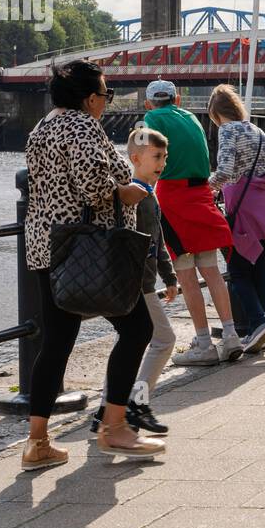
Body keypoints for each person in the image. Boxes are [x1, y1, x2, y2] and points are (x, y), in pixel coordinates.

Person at [22, 61, 164, 470]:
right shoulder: (82, 127)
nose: (106, 102)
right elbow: (95, 189)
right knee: (138, 328)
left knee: (56, 342)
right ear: (90, 98)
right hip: (92, 250)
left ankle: (37, 443)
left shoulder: (42, 127)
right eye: (106, 95)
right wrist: (130, 193)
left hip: (46, 247)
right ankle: (114, 427)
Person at [140, 79, 242, 365]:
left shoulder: (150, 118)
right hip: (202, 195)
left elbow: (149, 162)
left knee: (186, 273)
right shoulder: (191, 118)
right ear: (178, 99)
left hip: (174, 199)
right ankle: (231, 336)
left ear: (149, 103)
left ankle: (204, 344)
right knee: (211, 270)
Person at [89, 126, 180, 437]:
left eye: (165, 157)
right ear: (135, 158)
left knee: (126, 342)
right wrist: (155, 279)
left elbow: (158, 238)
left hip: (142, 282)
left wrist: (169, 275)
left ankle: (105, 407)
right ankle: (136, 402)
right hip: (137, 284)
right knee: (164, 339)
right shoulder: (135, 196)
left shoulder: (148, 195)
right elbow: (136, 243)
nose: (162, 163)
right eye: (156, 157)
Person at [207, 84, 265, 354]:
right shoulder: (258, 130)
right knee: (259, 268)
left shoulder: (227, 130)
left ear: (215, 111)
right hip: (264, 209)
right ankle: (262, 328)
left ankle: (257, 324)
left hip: (243, 211)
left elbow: (224, 170)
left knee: (237, 271)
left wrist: (207, 188)